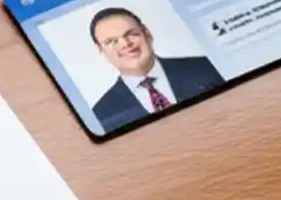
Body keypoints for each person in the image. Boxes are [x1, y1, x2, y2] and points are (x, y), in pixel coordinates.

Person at [88, 7, 224, 131]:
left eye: (132, 34)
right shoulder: (101, 115)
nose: (125, 44)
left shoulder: (205, 66)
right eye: (111, 41)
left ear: (147, 33)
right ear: (101, 50)